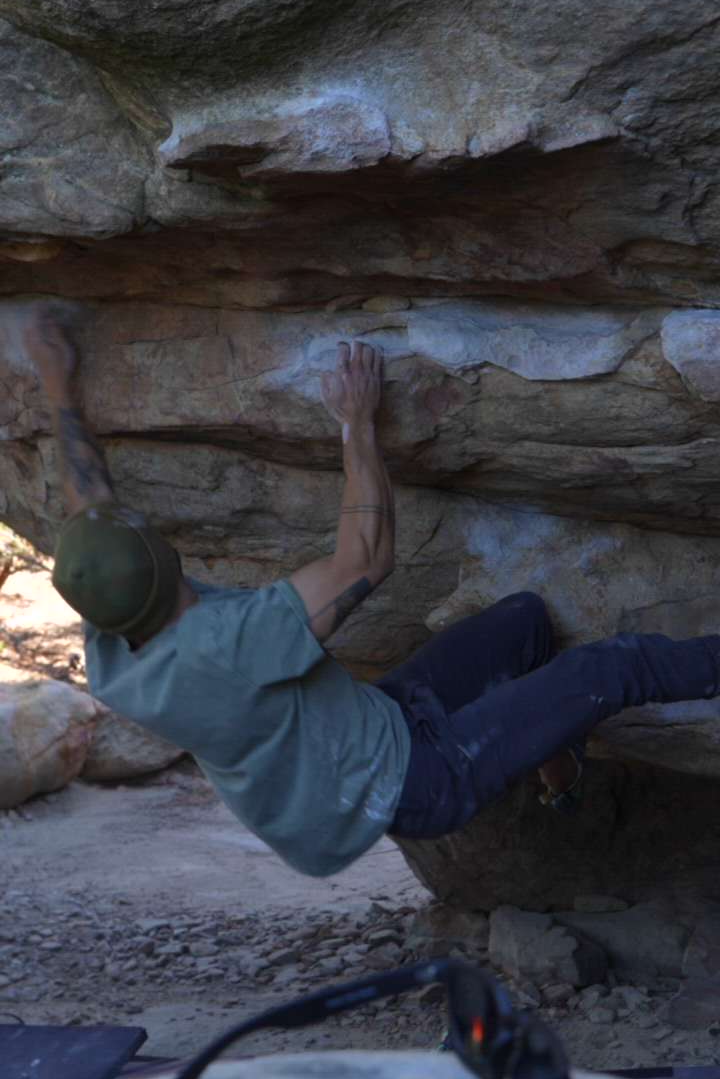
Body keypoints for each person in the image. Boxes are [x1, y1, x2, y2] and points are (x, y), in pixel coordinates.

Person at [24, 304, 720, 876]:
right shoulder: (225, 647)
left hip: (372, 723)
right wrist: (356, 422)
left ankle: (556, 765)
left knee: (523, 623)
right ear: (165, 559)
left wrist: (58, 384)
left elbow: (90, 503)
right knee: (613, 667)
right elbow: (367, 559)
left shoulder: (112, 622)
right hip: (416, 781)